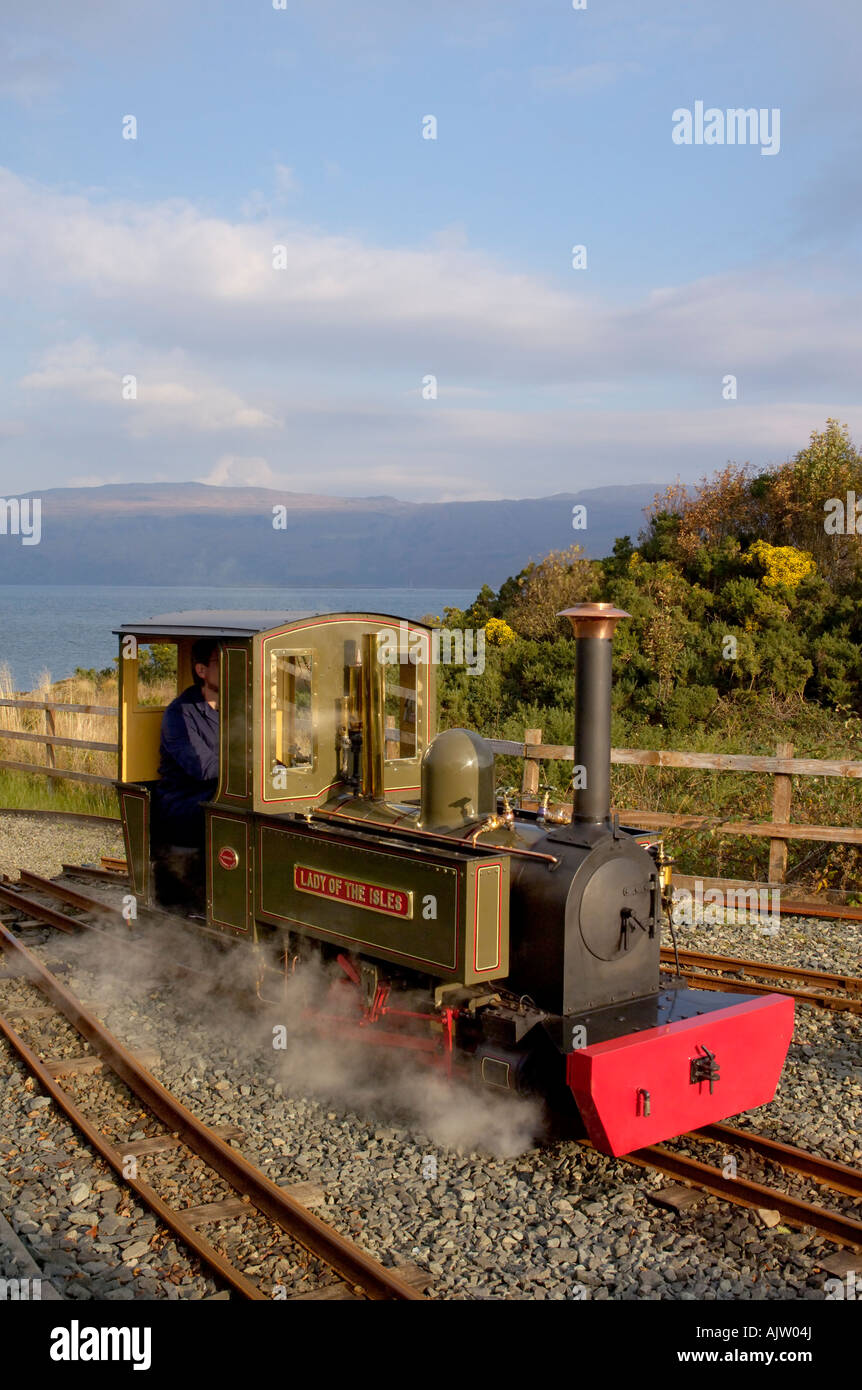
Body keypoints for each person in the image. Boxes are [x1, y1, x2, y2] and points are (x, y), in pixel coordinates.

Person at [153, 638, 220, 850]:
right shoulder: (179, 714)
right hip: (186, 802)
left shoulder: (239, 710)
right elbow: (204, 768)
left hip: (221, 796)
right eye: (224, 661)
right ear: (202, 670)